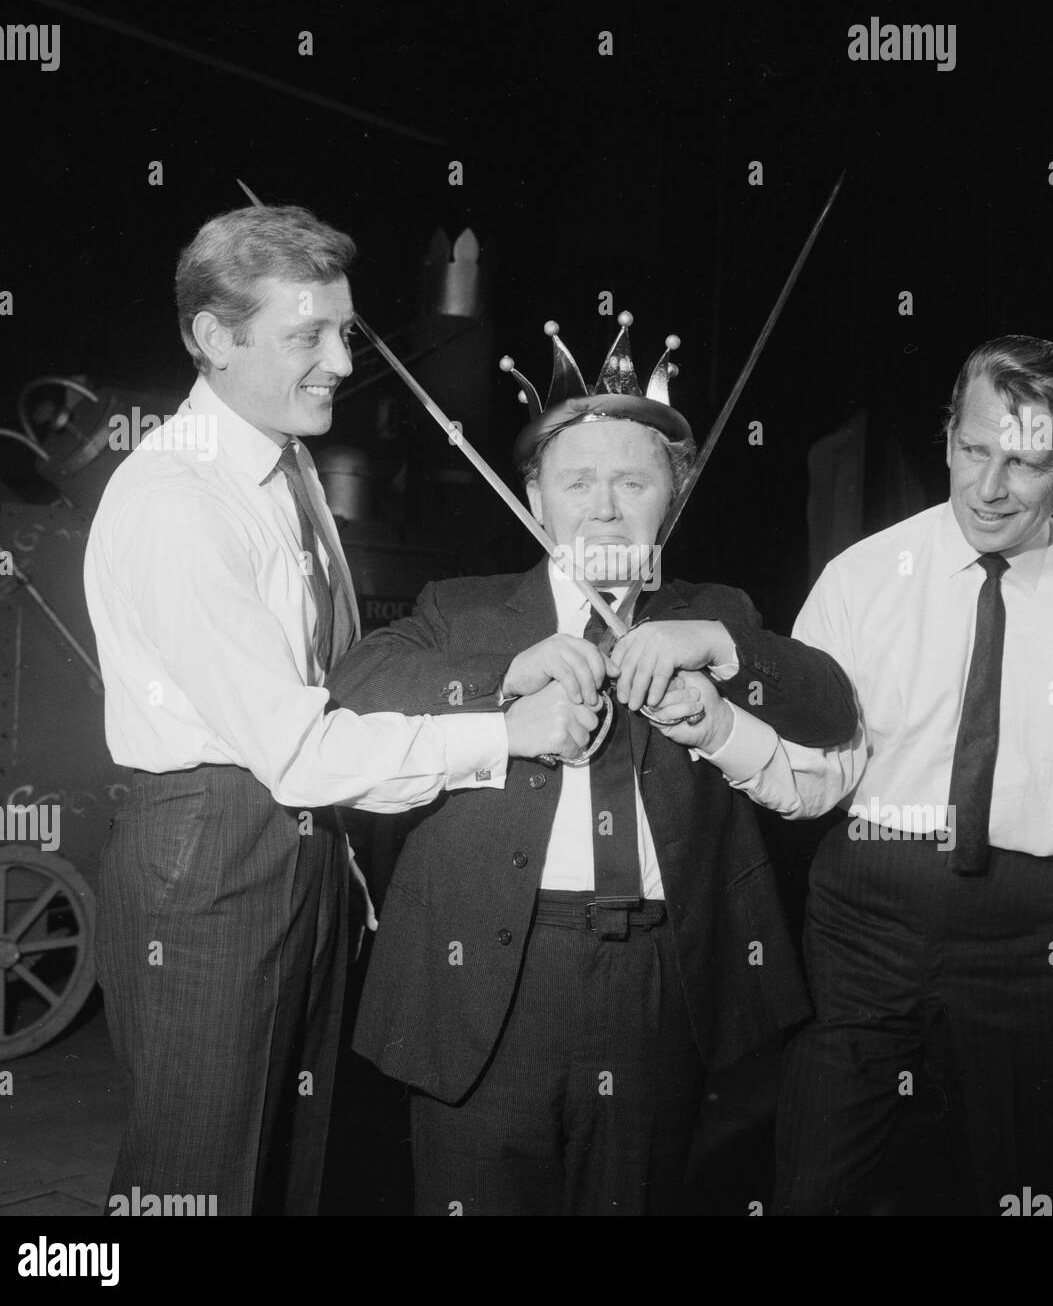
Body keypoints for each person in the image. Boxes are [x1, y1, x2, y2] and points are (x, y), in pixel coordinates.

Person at [83, 205, 589, 1215]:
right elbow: (300, 747)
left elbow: (334, 677)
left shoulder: (284, 460)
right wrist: (506, 731)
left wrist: (497, 674)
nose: (340, 360)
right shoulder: (180, 502)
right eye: (305, 335)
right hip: (212, 856)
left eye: (344, 330)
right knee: (198, 1186)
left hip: (295, 846)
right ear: (214, 339)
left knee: (288, 1173)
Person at [326, 314, 860, 1215]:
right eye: (576, 482)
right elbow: (355, 684)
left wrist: (722, 655)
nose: (604, 507)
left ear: (674, 494)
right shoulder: (463, 608)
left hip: (658, 985)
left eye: (631, 481)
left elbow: (829, 703)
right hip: (487, 982)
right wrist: (504, 676)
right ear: (534, 497)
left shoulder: (715, 608)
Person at [774, 334, 1053, 1215]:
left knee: (1028, 1194)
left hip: (1030, 931)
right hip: (864, 911)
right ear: (946, 437)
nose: (987, 487)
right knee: (816, 1187)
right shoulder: (859, 579)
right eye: (973, 450)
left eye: (1024, 462)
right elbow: (811, 772)